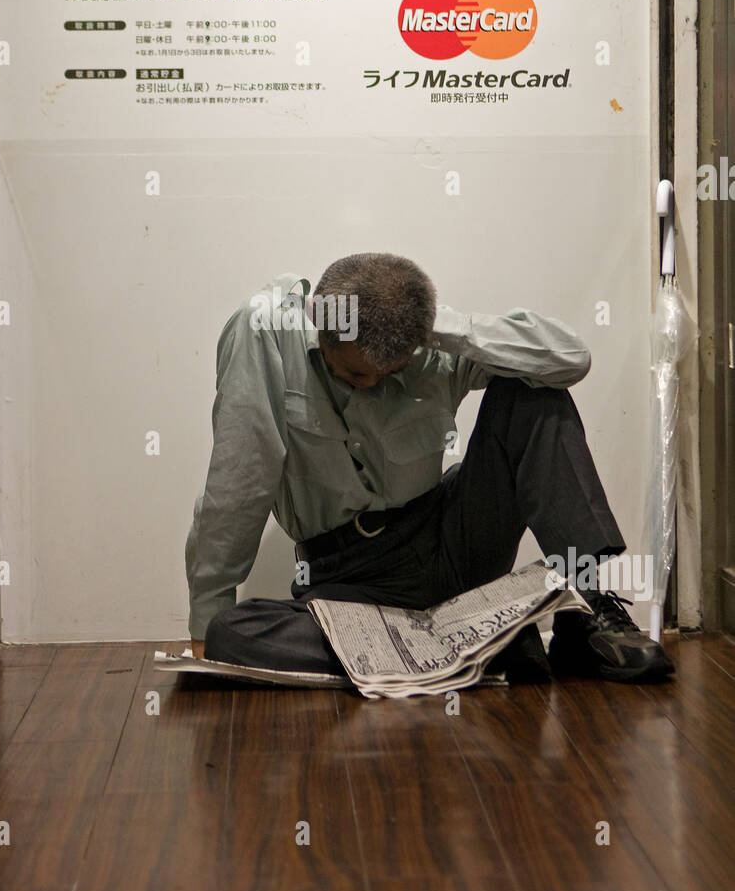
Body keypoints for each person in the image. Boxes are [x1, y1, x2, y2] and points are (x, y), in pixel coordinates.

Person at [184, 253, 674, 685]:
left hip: (450, 543)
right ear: (320, 325)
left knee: (531, 392)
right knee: (230, 632)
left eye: (391, 371)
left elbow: (569, 358)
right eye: (356, 372)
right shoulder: (268, 332)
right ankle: (469, 642)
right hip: (349, 576)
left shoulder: (428, 343)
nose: (372, 382)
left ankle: (583, 610)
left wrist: (435, 328)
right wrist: (208, 621)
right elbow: (239, 479)